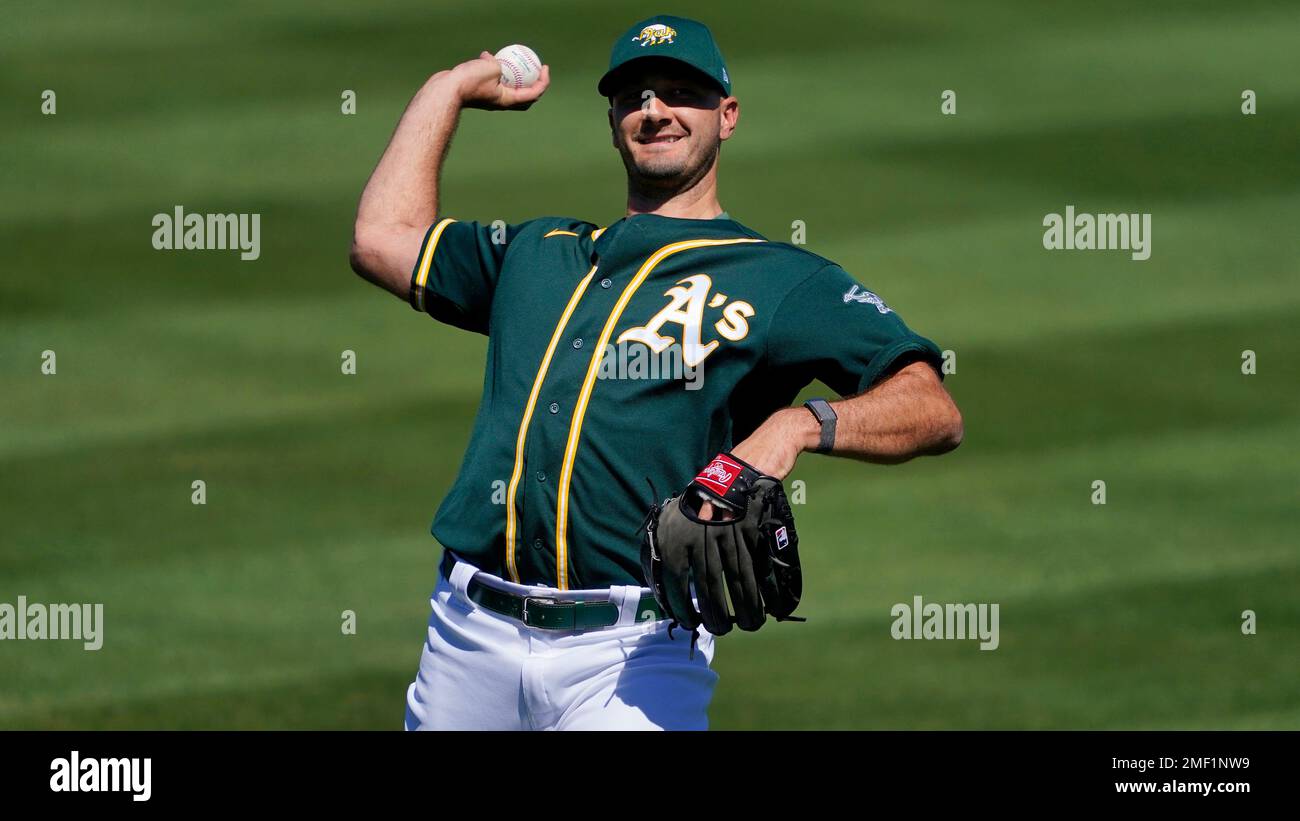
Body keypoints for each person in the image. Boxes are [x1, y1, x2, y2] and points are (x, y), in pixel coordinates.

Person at [349, 14, 963, 730]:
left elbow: (932, 407)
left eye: (681, 92)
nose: (655, 109)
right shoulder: (539, 253)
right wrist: (446, 88)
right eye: (634, 95)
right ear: (612, 122)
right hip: (466, 638)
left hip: (636, 653)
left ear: (727, 116)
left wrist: (797, 425)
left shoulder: (779, 280)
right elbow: (380, 238)